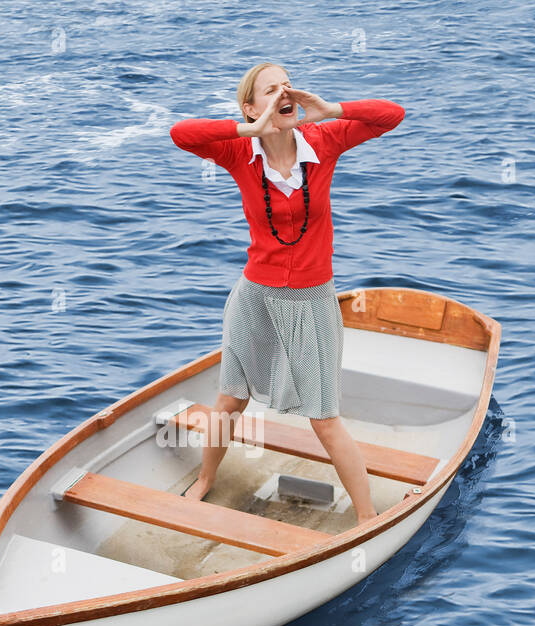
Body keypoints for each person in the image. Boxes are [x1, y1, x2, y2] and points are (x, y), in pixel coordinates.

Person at [170, 62, 405, 523]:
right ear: (251, 106)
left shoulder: (325, 141)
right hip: (255, 293)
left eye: (288, 86)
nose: (286, 93)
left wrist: (330, 109)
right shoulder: (239, 152)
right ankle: (204, 479)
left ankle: (365, 518)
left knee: (324, 418)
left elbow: (391, 114)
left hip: (310, 298)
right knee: (230, 398)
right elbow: (182, 133)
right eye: (271, 89)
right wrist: (247, 128)